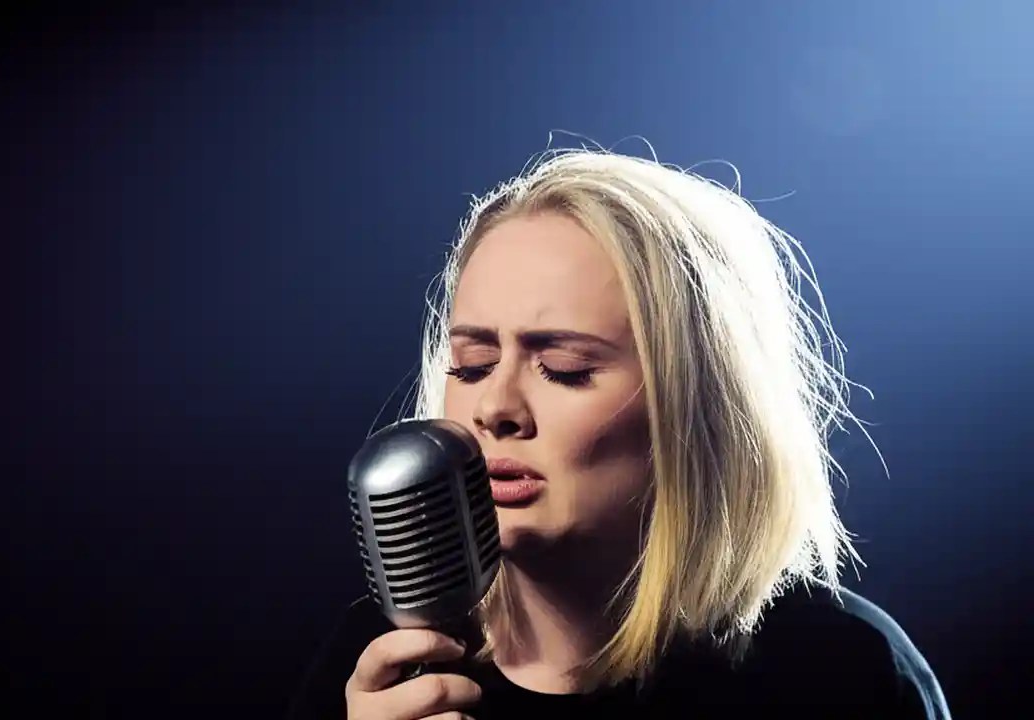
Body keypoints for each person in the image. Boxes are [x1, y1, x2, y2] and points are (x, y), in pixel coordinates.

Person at [286, 147, 951, 719]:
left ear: (694, 403)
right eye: (473, 364)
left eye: (564, 369)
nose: (496, 407)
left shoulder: (841, 672)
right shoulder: (379, 666)